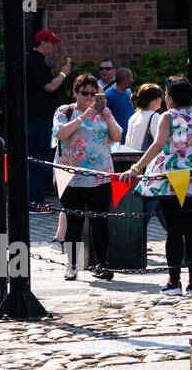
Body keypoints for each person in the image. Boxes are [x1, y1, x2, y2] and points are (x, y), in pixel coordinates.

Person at [126, 75, 192, 297]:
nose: (165, 98)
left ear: (172, 97)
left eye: (167, 94)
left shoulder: (168, 116)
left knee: (175, 232)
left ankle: (174, 281)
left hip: (171, 178)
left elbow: (158, 145)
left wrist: (136, 168)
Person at [53, 74, 122, 280]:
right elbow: (60, 134)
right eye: (85, 93)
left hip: (100, 176)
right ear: (75, 92)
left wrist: (108, 116)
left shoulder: (103, 114)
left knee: (99, 221)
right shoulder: (65, 111)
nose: (90, 98)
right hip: (70, 176)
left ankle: (102, 263)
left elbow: (117, 137)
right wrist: (83, 116)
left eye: (94, 94)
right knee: (73, 222)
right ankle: (72, 265)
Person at [27, 30, 72, 213]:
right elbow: (50, 86)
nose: (54, 46)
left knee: (31, 160)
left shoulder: (27, 60)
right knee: (40, 161)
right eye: (51, 43)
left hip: (30, 119)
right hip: (40, 121)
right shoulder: (36, 62)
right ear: (43, 42)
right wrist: (63, 73)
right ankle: (35, 202)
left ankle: (29, 200)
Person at [125, 83, 165, 226]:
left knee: (157, 206)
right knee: (150, 207)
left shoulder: (134, 116)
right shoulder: (154, 116)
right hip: (150, 169)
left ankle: (181, 242)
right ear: (153, 99)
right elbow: (159, 143)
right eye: (160, 97)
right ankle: (137, 241)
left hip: (135, 167)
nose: (162, 100)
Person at [104, 67, 134, 134]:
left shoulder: (129, 93)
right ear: (124, 79)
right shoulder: (108, 96)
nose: (132, 80)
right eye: (131, 78)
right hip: (117, 138)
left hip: (130, 136)